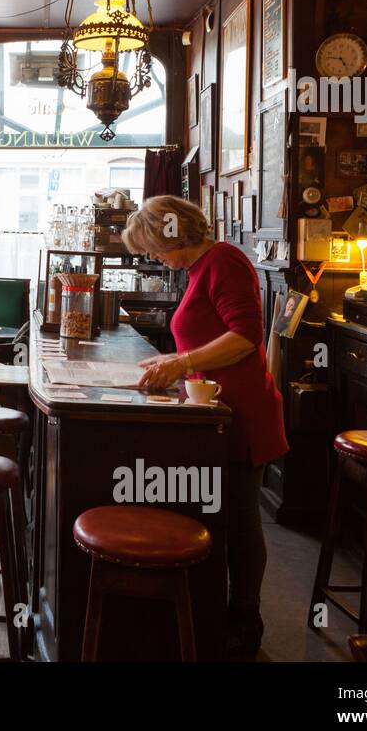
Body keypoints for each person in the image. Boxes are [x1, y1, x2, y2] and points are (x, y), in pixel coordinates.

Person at [121, 195, 288, 659]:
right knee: (228, 517)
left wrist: (184, 361)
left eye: (152, 245)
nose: (151, 256)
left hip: (241, 412)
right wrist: (173, 361)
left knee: (241, 522)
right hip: (214, 410)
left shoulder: (224, 261)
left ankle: (244, 622)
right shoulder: (200, 268)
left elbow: (246, 336)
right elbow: (205, 335)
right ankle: (215, 612)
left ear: (171, 233)